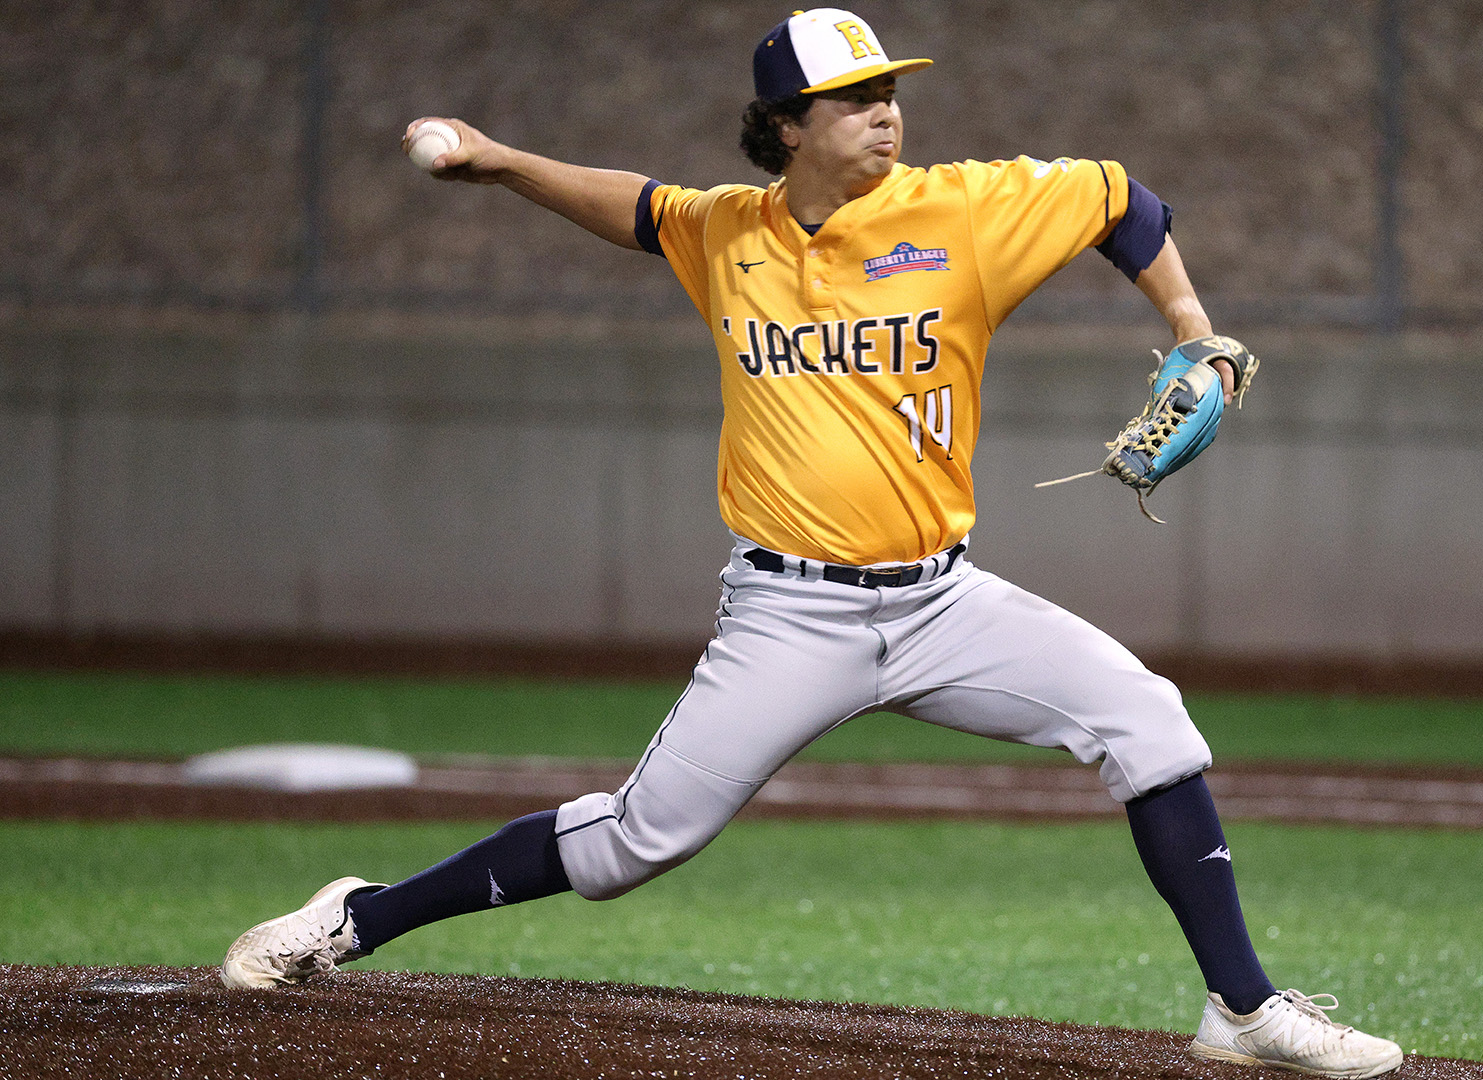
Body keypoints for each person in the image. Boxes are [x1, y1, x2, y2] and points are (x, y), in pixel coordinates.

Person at [220, 9, 1402, 1076]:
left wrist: (1193, 325)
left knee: (1149, 720)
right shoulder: (724, 234)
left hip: (945, 603)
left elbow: (1123, 201)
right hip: (791, 616)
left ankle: (1242, 1011)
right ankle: (359, 918)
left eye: (889, 89)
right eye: (852, 98)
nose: (884, 110)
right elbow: (629, 203)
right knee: (637, 843)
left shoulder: (964, 210)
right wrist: (501, 162)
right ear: (787, 127)